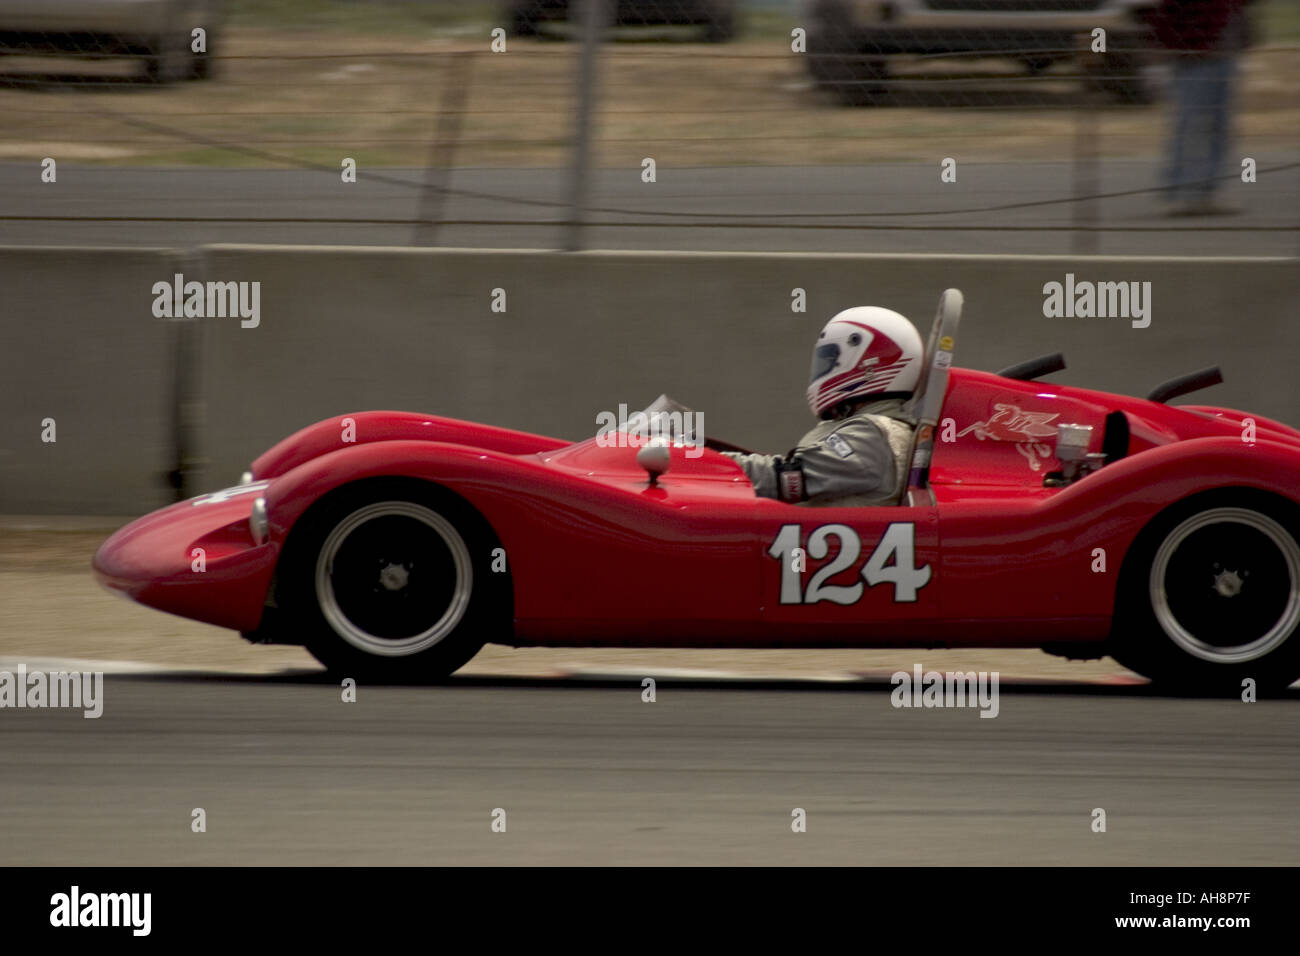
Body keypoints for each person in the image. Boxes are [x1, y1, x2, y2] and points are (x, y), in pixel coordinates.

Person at [722, 306, 921, 507]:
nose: (823, 370)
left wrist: (704, 464)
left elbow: (785, 479)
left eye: (830, 360)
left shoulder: (874, 437)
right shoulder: (869, 429)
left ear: (869, 368)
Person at [1153, 0, 1255, 216]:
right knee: (1190, 124)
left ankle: (1207, 193)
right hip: (1195, 53)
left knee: (1220, 126)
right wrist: (1173, 46)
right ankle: (1177, 192)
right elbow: (1167, 11)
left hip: (1225, 49)